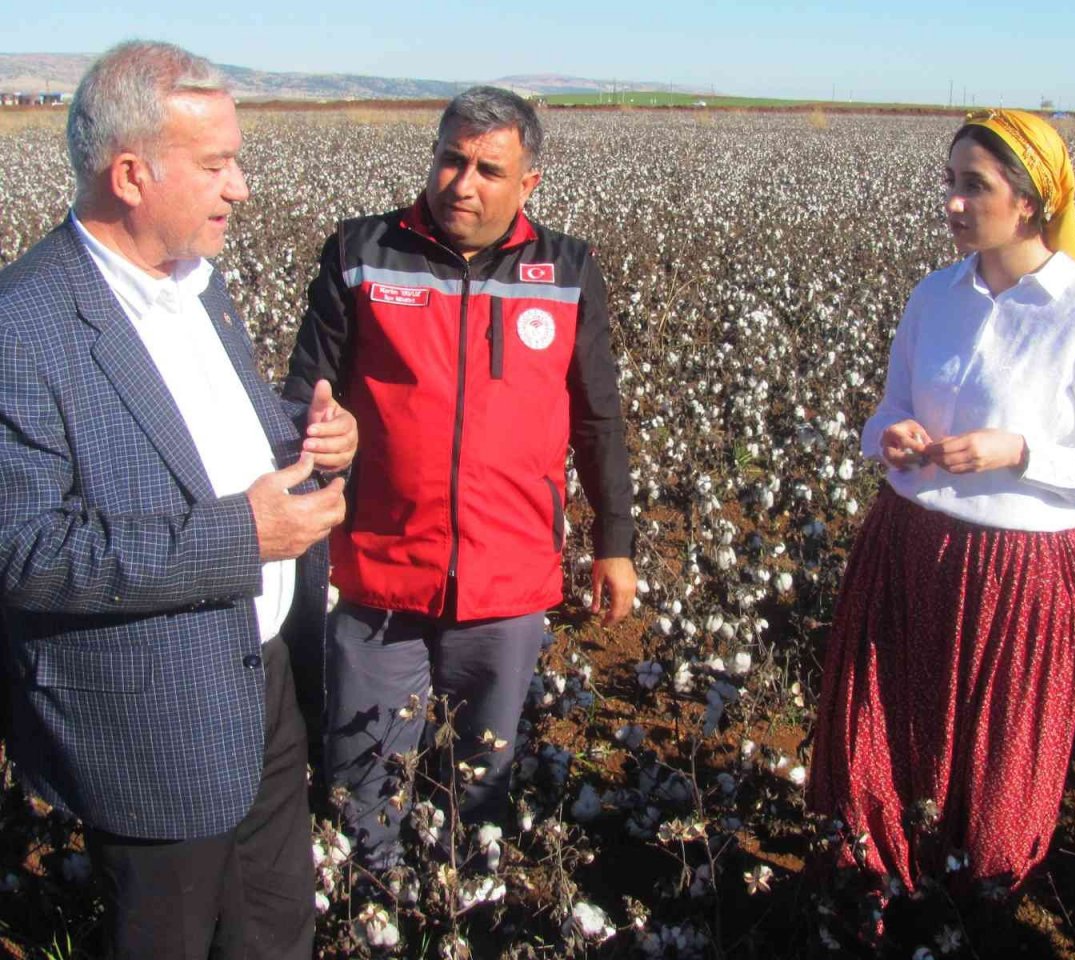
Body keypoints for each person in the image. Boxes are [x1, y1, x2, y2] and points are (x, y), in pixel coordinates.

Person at [0, 41, 357, 958]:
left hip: (264, 683)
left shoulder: (200, 286)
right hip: (151, 720)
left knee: (276, 936)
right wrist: (244, 535)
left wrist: (306, 440)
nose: (239, 186)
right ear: (130, 174)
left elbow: (204, 438)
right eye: (216, 165)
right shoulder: (23, 327)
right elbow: (26, 551)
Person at [285, 86, 636, 867]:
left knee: (477, 785)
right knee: (361, 781)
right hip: (380, 572)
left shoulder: (568, 270)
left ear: (528, 185)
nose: (462, 183)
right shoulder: (362, 254)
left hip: (508, 578)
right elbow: (303, 397)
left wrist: (616, 541)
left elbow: (598, 420)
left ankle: (461, 918)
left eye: (487, 168)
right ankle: (368, 916)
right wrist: (317, 443)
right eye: (451, 159)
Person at [810, 109, 1075, 894]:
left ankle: (974, 915)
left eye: (976, 186)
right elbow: (887, 407)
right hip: (906, 548)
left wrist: (1019, 452)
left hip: (1021, 574)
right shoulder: (934, 296)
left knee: (997, 774)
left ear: (1030, 202)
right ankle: (867, 907)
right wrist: (889, 433)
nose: (954, 202)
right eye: (950, 182)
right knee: (877, 748)